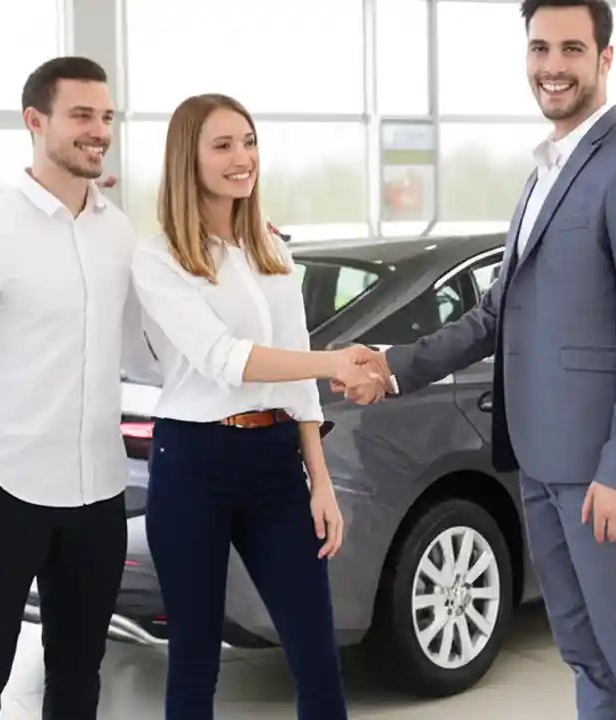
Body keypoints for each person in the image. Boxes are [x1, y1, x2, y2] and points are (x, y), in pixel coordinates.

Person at [338, 1, 616, 717]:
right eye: (539, 49)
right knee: (587, 655)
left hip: (601, 473)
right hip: (539, 460)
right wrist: (395, 364)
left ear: (605, 57)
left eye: (570, 48)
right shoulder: (544, 174)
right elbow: (497, 314)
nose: (552, 67)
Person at [0, 56, 159, 719]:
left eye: (105, 117)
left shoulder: (117, 231)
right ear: (35, 121)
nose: (98, 131)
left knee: (78, 677)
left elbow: (141, 354)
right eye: (81, 116)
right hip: (5, 493)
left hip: (99, 495)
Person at [131, 92, 381, 720]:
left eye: (249, 141)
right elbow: (227, 358)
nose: (243, 158)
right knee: (194, 662)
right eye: (223, 145)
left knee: (317, 655)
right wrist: (334, 362)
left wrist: (318, 482)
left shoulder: (270, 250)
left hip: (274, 465)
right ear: (188, 158)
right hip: (193, 462)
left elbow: (292, 374)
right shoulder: (158, 259)